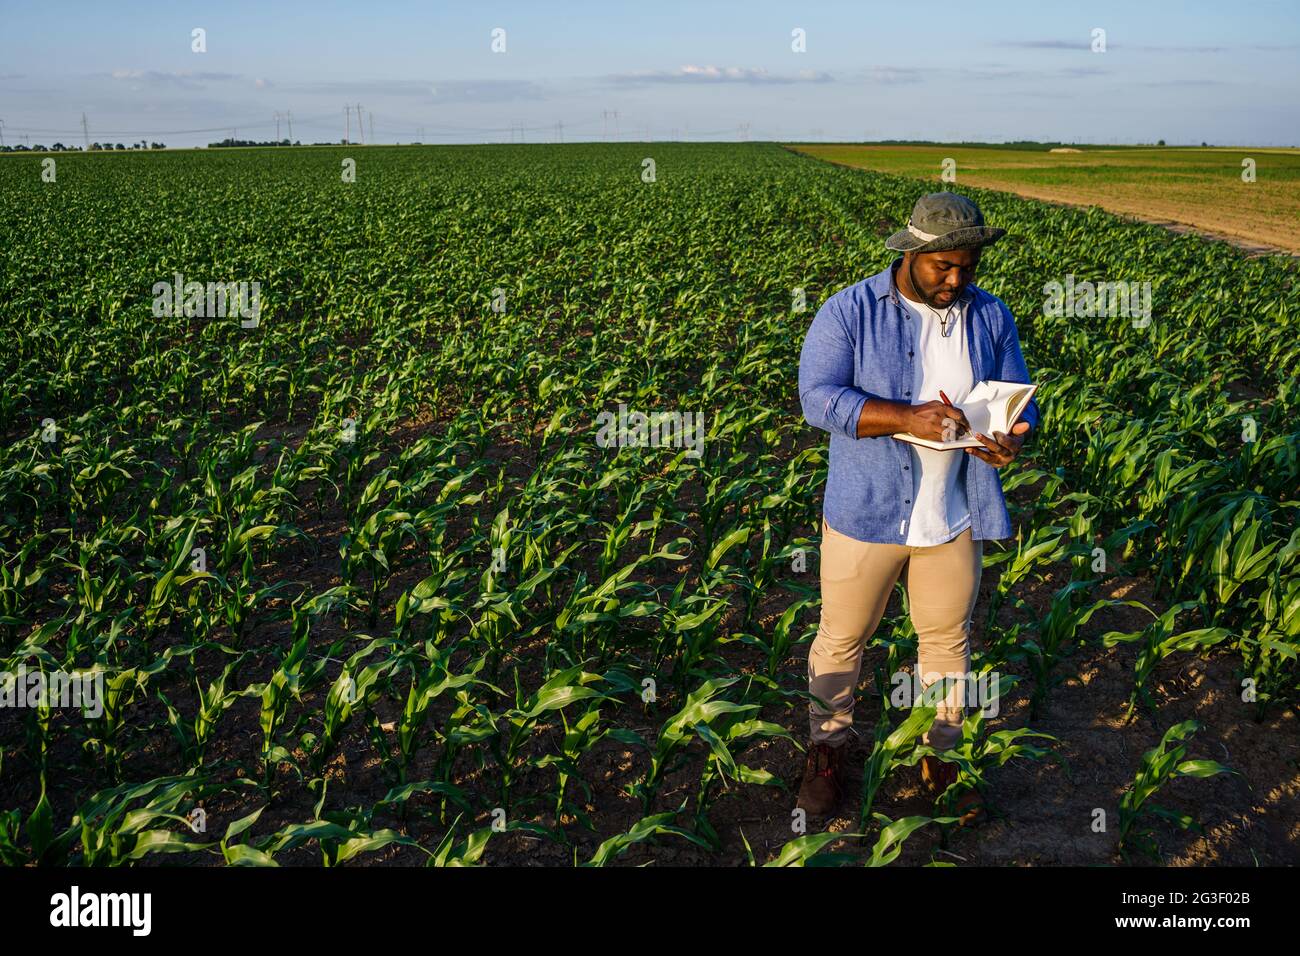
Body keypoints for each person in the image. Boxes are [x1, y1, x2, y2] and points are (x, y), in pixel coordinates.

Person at [794, 191, 1040, 825]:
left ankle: (942, 756)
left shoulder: (990, 315)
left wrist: (1012, 436)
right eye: (943, 268)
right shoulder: (850, 310)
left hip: (954, 514)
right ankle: (827, 751)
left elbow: (1019, 399)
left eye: (967, 267)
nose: (956, 280)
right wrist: (905, 416)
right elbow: (818, 398)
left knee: (947, 642)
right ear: (912, 255)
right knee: (843, 638)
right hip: (867, 512)